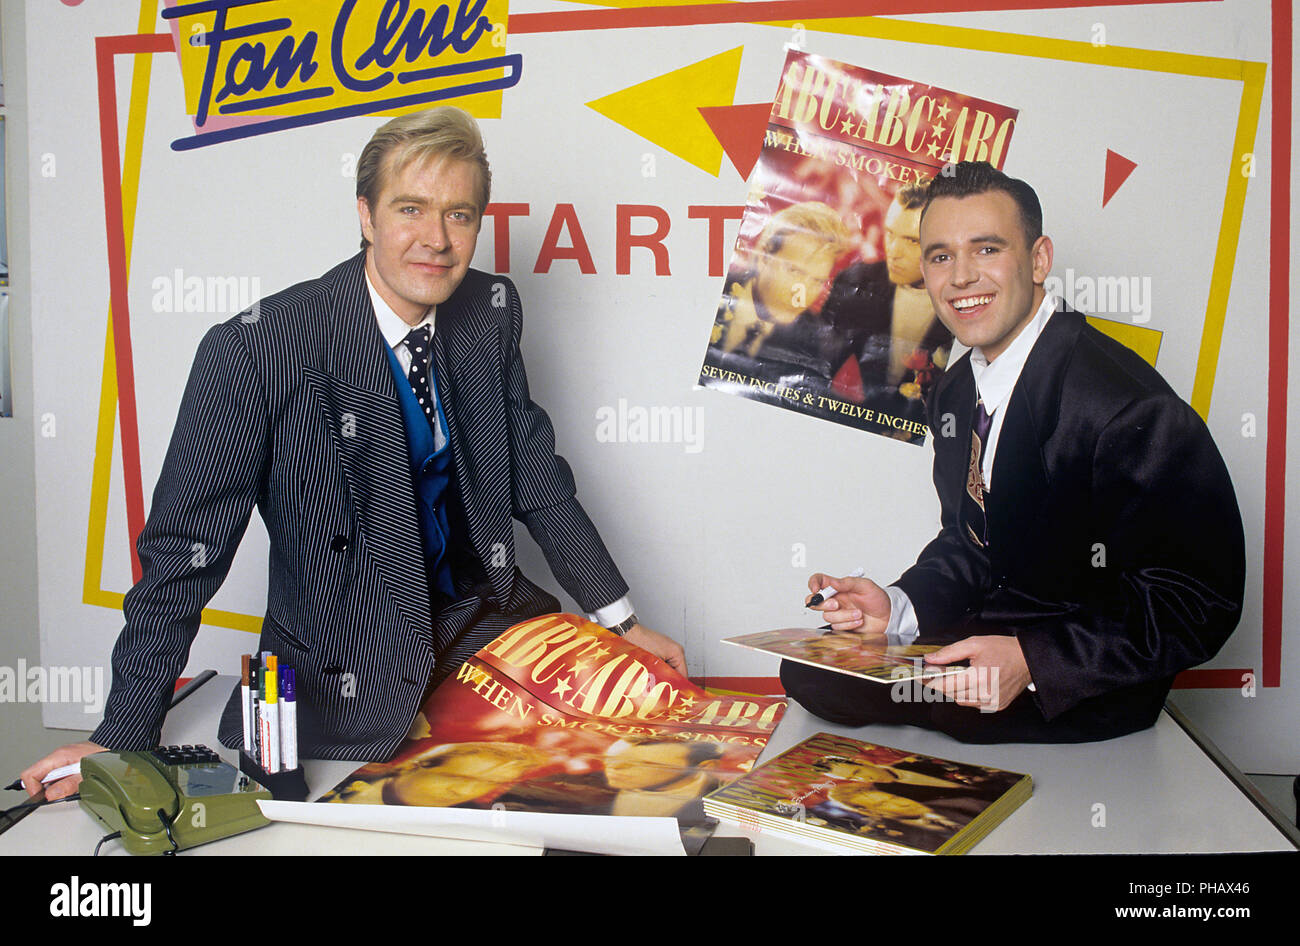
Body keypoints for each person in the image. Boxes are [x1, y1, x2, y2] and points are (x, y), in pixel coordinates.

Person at [24, 107, 684, 798]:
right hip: (347, 671)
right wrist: (121, 734)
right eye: (411, 209)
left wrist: (622, 621)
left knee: (640, 747)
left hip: (484, 632)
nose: (436, 239)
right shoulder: (256, 350)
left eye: (459, 215)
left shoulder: (490, 310)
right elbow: (184, 553)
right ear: (365, 215)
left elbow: (537, 481)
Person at [782, 161, 1245, 743]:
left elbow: (1198, 599)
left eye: (987, 249)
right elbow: (971, 543)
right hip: (992, 628)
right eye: (941, 256)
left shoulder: (1127, 407)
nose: (960, 278)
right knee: (811, 671)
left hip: (1085, 666)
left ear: (1040, 259)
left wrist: (1035, 660)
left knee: (956, 712)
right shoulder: (954, 387)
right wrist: (898, 608)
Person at [820, 182, 952, 436]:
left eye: (912, 241)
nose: (894, 251)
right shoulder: (854, 282)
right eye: (890, 233)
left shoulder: (969, 304)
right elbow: (815, 369)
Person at [708, 200, 851, 380]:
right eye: (795, 272)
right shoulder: (710, 289)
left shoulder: (822, 348)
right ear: (763, 258)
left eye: (817, 281)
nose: (803, 294)